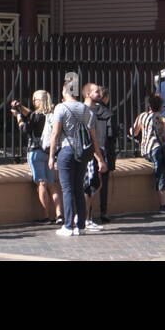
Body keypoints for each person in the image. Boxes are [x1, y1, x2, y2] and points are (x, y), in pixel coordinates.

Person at [47, 80, 106, 237]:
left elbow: (55, 134)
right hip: (82, 153)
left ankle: (68, 226)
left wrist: (52, 156)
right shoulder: (86, 110)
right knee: (79, 188)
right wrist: (99, 158)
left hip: (66, 151)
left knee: (67, 189)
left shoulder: (61, 107)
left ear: (64, 92)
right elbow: (93, 138)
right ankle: (80, 225)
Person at [11, 91, 61, 224]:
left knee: (41, 183)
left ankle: (46, 216)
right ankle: (59, 214)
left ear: (40, 101)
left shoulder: (35, 116)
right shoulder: (52, 115)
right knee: (52, 184)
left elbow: (24, 130)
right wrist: (21, 106)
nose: (33, 102)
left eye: (35, 100)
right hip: (48, 152)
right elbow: (31, 114)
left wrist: (18, 116)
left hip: (35, 152)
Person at [133, 93, 165, 212]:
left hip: (146, 150)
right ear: (161, 106)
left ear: (149, 105)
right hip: (157, 149)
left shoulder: (142, 116)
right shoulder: (162, 119)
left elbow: (134, 132)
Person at [85, 82, 122, 222]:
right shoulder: (108, 113)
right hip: (104, 150)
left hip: (89, 150)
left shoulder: (86, 111)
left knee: (89, 181)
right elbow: (111, 133)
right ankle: (103, 211)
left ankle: (88, 213)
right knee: (103, 183)